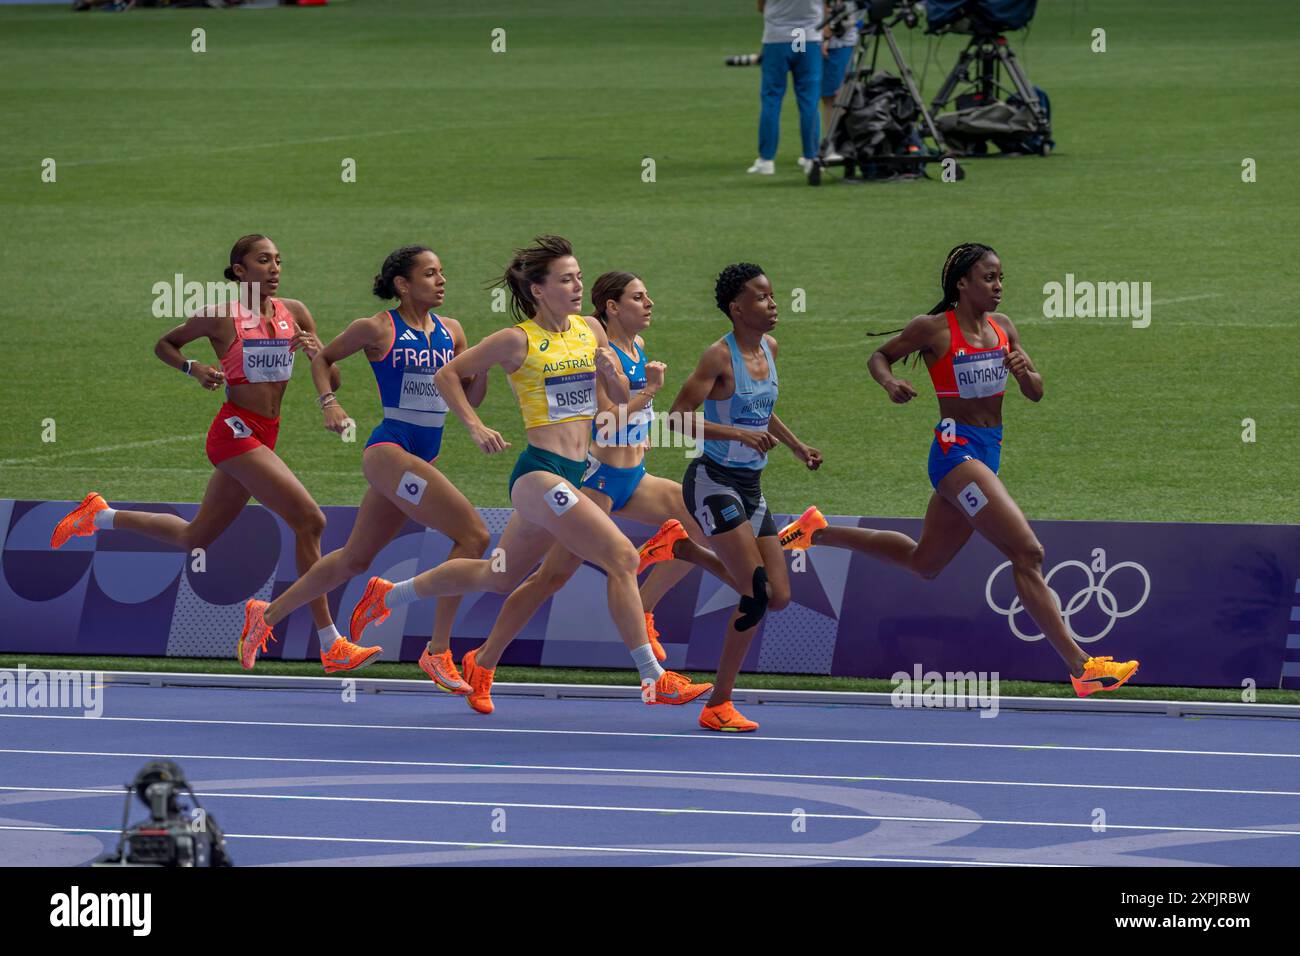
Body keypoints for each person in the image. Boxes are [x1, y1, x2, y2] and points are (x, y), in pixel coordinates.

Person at [346, 236, 713, 708]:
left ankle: (388, 595)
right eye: (566, 279)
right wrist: (475, 425)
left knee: (499, 575)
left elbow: (614, 406)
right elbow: (446, 375)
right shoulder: (515, 339)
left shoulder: (590, 332)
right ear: (539, 290)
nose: (577, 285)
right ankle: (652, 677)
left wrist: (616, 375)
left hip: (575, 471)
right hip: (538, 475)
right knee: (622, 556)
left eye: (579, 276)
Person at [778, 243, 1140, 697]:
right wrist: (890, 382)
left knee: (924, 562)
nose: (999, 287)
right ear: (962, 284)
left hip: (988, 453)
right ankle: (1081, 665)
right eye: (989, 278)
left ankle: (817, 532)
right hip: (955, 455)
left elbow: (1035, 393)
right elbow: (879, 356)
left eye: (1001, 278)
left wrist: (1026, 371)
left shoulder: (1004, 329)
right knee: (1027, 553)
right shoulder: (933, 329)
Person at [50, 235, 372, 672]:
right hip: (234, 433)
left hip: (266, 433)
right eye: (263, 261)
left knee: (193, 537)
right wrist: (193, 368)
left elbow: (332, 381)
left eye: (278, 261)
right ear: (240, 271)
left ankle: (99, 515)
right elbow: (165, 343)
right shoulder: (220, 316)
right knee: (310, 521)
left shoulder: (294, 313)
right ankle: (329, 642)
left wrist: (320, 356)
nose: (274, 268)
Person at [444, 270, 735, 714]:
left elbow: (631, 413)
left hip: (634, 478)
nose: (650, 303)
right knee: (550, 578)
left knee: (697, 518)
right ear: (613, 308)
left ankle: (647, 606)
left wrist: (643, 425)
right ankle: (482, 661)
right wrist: (645, 398)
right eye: (639, 297)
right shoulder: (593, 352)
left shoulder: (636, 349)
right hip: (595, 481)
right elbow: (604, 419)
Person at [237, 245, 491, 688]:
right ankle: (439, 651)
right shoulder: (376, 328)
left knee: (354, 559)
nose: (442, 280)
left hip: (420, 457)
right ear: (402, 284)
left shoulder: (453, 333)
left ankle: (266, 614)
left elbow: (469, 399)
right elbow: (322, 358)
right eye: (430, 274)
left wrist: (484, 366)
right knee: (473, 536)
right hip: (389, 452)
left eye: (442, 273)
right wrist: (329, 403)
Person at [668, 263, 822, 732]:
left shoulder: (770, 348)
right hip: (713, 481)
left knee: (778, 596)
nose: (773, 304)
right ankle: (719, 704)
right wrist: (736, 432)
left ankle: (681, 548)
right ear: (737, 308)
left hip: (751, 487)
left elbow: (763, 410)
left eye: (773, 295)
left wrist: (796, 446)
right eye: (761, 297)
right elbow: (676, 418)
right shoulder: (718, 357)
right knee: (754, 595)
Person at [748, 0, 825, 176]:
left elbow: (761, 6)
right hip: (808, 36)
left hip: (778, 37)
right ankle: (811, 157)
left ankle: (766, 159)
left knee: (771, 99)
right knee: (809, 100)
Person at [819, 3, 858, 161]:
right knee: (828, 98)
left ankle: (835, 145)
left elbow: (840, 16)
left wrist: (825, 37)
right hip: (833, 43)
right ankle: (832, 143)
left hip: (838, 45)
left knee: (836, 98)